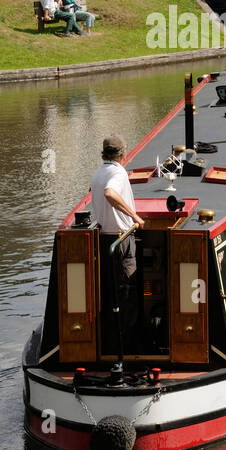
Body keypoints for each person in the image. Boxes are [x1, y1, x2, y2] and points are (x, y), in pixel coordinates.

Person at [90, 135, 145, 345]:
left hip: (103, 240)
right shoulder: (118, 172)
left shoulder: (97, 173)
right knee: (127, 291)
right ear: (124, 152)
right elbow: (110, 194)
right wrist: (135, 216)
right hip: (121, 241)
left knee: (109, 290)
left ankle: (109, 340)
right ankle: (129, 345)